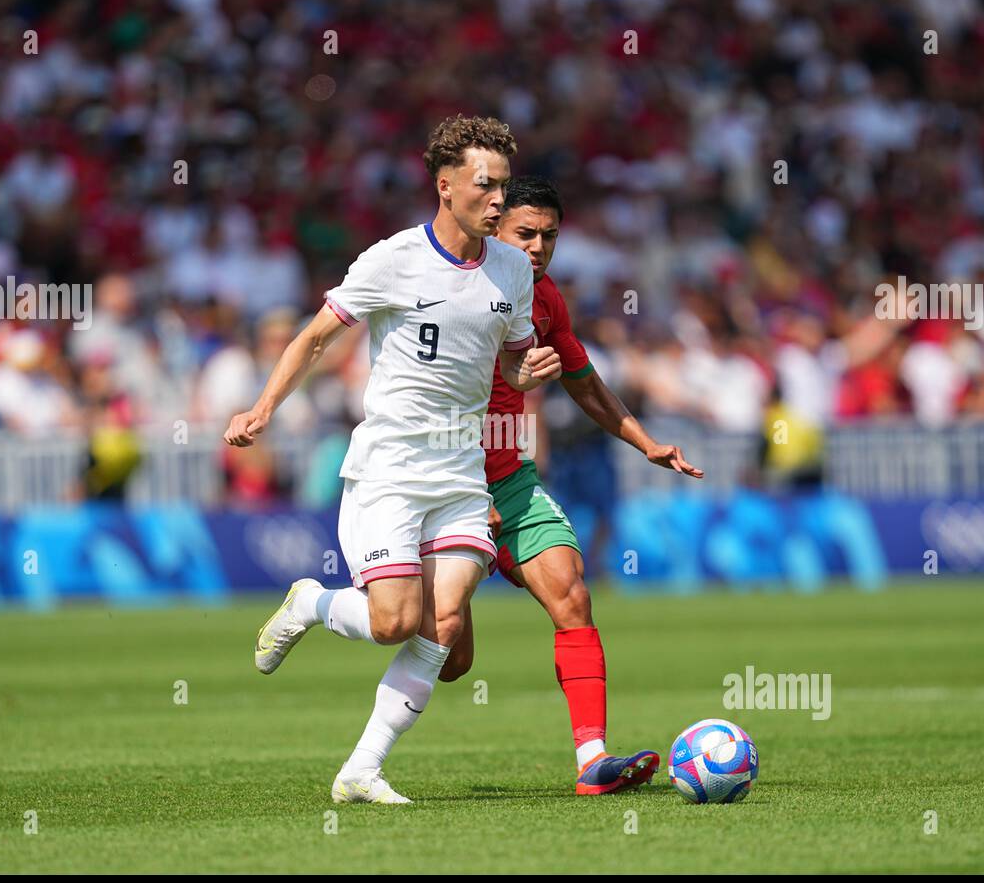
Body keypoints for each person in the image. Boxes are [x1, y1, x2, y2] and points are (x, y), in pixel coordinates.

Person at [223, 116, 561, 803]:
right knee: (393, 623)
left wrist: (528, 377)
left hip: (462, 473)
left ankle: (362, 769)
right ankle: (312, 603)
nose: (498, 200)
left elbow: (512, 362)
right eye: (484, 184)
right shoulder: (394, 259)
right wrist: (264, 408)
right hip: (390, 471)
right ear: (444, 185)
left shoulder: (509, 270)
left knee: (443, 632)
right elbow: (315, 338)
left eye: (502, 186)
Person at [441, 176, 704, 794]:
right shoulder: (451, 288)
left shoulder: (546, 299)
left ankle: (592, 761)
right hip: (443, 483)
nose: (537, 247)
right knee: (452, 658)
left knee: (572, 595)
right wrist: (470, 493)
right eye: (524, 234)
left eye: (549, 236)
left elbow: (584, 383)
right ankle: (319, 605)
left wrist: (647, 444)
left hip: (509, 480)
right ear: (494, 228)